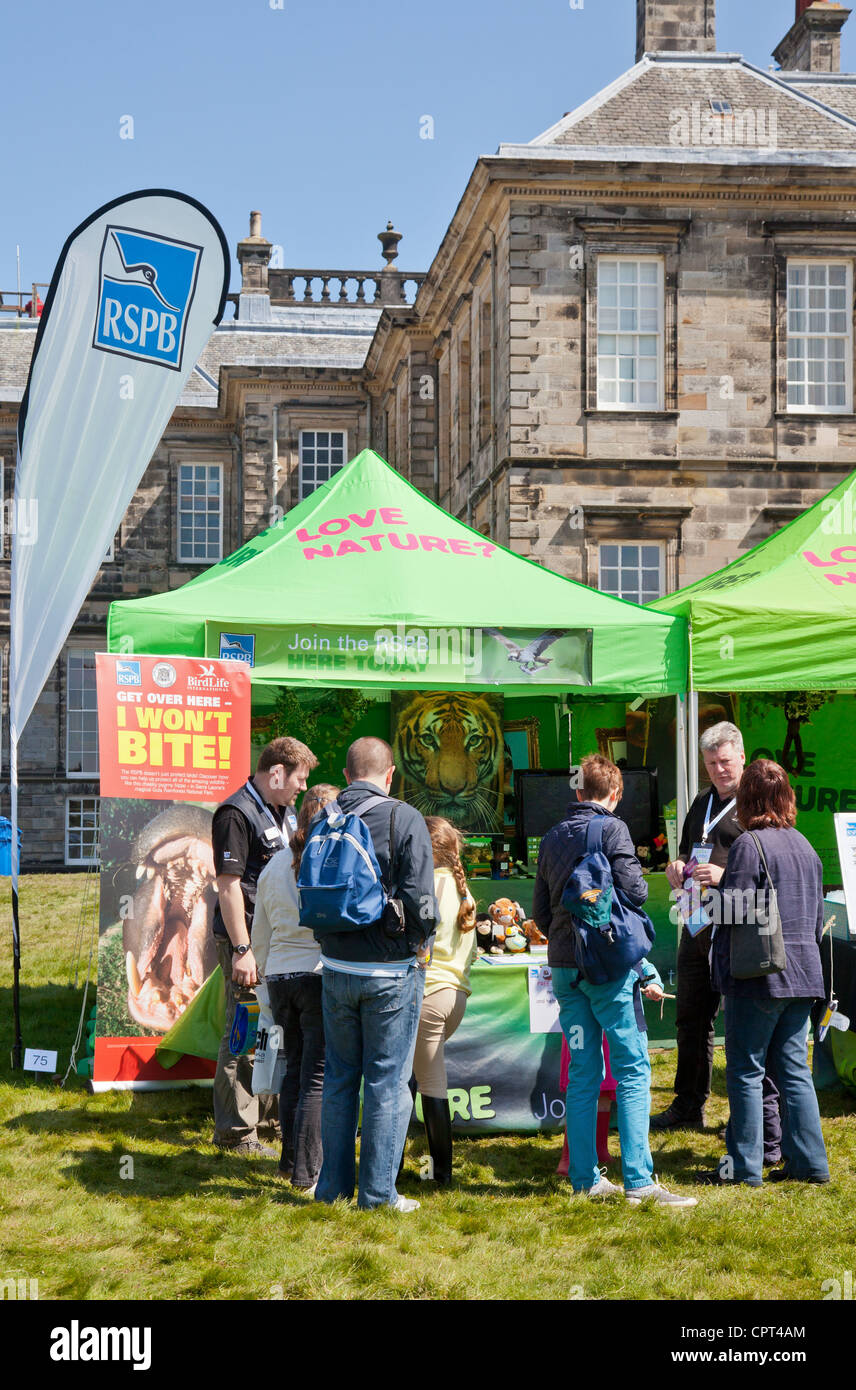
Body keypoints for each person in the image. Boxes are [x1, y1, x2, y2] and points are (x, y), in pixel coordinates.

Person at [534, 754, 697, 1207]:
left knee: (583, 1073)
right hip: (607, 971)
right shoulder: (612, 829)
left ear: (578, 790)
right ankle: (640, 1182)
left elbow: (542, 914)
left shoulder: (549, 837)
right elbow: (639, 891)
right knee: (631, 1069)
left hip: (565, 970)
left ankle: (585, 1179)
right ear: (615, 794)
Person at [314, 736, 438, 1212]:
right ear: (389, 776)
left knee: (341, 1079)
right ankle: (378, 1196)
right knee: (387, 1082)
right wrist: (422, 939)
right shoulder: (401, 815)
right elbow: (421, 898)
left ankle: (333, 1188)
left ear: (346, 775)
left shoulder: (326, 814)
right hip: (389, 971)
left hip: (334, 966)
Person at [697, 760, 830, 1187]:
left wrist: (707, 895)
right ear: (786, 796)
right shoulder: (806, 845)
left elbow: (732, 910)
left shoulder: (748, 845)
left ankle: (743, 1169)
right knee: (793, 1072)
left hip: (759, 977)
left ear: (746, 799)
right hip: (804, 974)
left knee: (746, 1071)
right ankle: (810, 1165)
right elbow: (816, 919)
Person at [210, 736, 318, 1154]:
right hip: (246, 945)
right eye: (299, 779)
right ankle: (235, 1132)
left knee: (274, 1029)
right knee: (241, 1031)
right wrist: (241, 949)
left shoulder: (284, 811)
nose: (302, 788)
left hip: (274, 944)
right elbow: (228, 886)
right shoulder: (236, 813)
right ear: (276, 773)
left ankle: (270, 1119)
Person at [652, 721, 746, 1133]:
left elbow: (764, 870)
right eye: (711, 763)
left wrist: (723, 875)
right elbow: (688, 851)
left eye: (725, 761)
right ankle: (689, 1105)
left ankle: (748, 1116)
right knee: (690, 1018)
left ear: (741, 756)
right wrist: (676, 865)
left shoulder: (756, 805)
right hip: (695, 923)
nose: (719, 770)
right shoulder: (701, 801)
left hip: (737, 925)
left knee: (744, 1023)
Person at [253, 783, 340, 1192]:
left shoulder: (273, 867)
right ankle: (307, 1172)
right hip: (317, 974)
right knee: (316, 1078)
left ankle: (290, 1164)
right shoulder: (331, 858)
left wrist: (266, 982)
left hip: (281, 976)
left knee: (293, 1072)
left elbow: (260, 933)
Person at [412, 816, 478, 1186]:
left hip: (428, 998)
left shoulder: (430, 885)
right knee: (420, 1079)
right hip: (455, 996)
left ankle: (441, 1174)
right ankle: (432, 1168)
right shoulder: (461, 888)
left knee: (430, 1085)